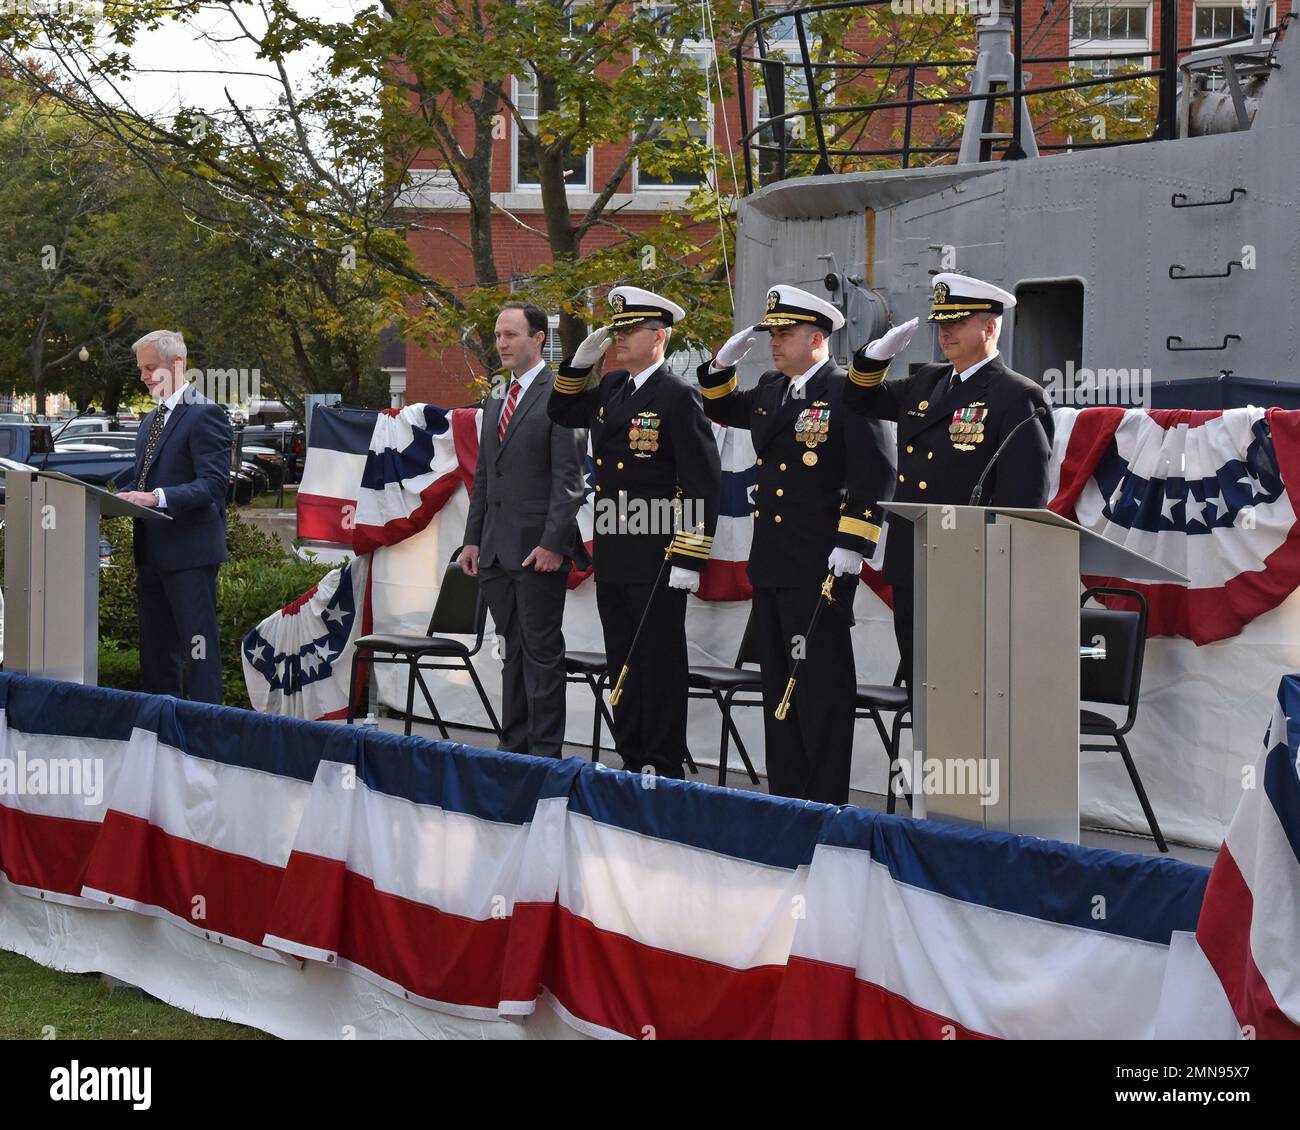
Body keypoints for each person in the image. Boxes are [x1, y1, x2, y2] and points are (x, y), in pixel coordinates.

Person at [698, 285, 895, 804]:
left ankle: (826, 801)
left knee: (821, 689)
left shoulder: (849, 390)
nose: (775, 344)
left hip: (821, 565)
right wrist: (719, 365)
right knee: (778, 685)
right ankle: (787, 796)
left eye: (785, 334)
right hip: (773, 564)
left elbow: (876, 473)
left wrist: (852, 544)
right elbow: (720, 406)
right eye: (773, 335)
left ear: (817, 337)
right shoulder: (769, 389)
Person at [845, 272, 1054, 684]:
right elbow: (859, 399)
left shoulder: (1016, 395)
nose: (946, 332)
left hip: (968, 570)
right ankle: (927, 753)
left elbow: (1023, 500)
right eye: (942, 323)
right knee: (922, 688)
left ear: (989, 327)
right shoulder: (928, 380)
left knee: (963, 689)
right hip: (914, 560)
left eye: (957, 322)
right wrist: (875, 357)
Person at [547, 286, 720, 779]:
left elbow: (701, 482)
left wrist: (689, 556)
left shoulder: (678, 395)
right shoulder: (612, 391)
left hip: (659, 551)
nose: (618, 337)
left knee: (658, 662)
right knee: (621, 656)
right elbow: (560, 412)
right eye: (616, 329)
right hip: (616, 548)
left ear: (659, 337)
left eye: (629, 330)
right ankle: (631, 755)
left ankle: (662, 764)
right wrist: (578, 365)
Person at [460, 301, 588, 758]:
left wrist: (553, 543)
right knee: (511, 653)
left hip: (538, 553)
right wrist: (472, 539)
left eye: (511, 335)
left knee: (541, 655)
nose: (502, 343)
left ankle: (545, 755)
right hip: (495, 552)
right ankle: (513, 748)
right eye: (497, 335)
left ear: (539, 339)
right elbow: (484, 476)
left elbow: (569, 480)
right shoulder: (497, 395)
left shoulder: (562, 394)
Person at [115, 330, 233, 703]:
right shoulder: (150, 422)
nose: (144, 376)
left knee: (198, 653)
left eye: (150, 368)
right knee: (156, 653)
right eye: (141, 369)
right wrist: (108, 497)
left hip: (190, 556)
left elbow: (213, 486)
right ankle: (159, 733)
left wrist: (156, 498)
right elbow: (141, 479)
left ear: (176, 364)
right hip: (151, 554)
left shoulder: (206, 414)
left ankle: (203, 737)